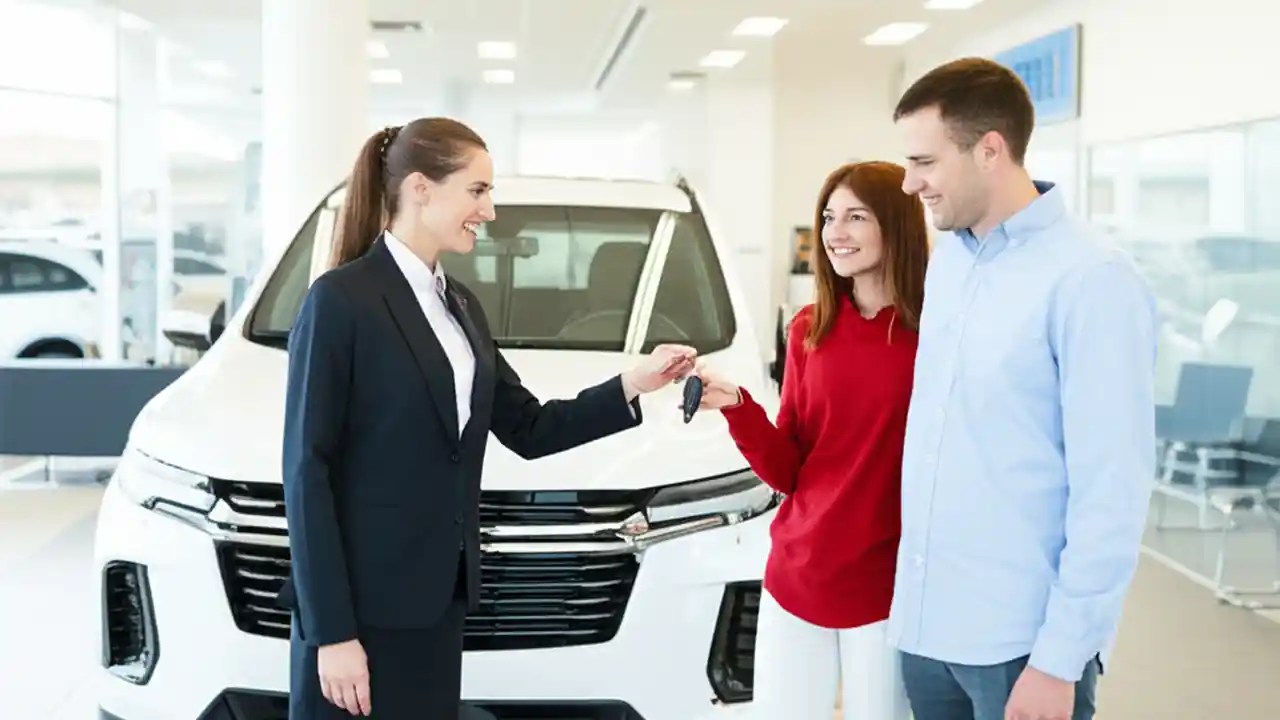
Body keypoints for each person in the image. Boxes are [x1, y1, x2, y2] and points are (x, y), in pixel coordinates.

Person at [275, 117, 697, 719]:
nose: (491, 210)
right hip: (358, 614)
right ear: (420, 188)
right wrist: (331, 633)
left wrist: (635, 382)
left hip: (435, 605)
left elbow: (530, 427)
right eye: (477, 190)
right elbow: (306, 473)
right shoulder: (341, 300)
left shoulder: (460, 306)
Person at [888, 57, 1158, 720]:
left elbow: (1112, 489)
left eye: (924, 162)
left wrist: (1061, 658)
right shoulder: (951, 262)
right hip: (927, 629)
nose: (908, 183)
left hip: (1020, 645)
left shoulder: (1091, 278)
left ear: (989, 150)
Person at [695, 161, 928, 719]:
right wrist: (738, 408)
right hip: (798, 574)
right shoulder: (809, 328)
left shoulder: (935, 332)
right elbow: (790, 470)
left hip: (887, 584)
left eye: (855, 216)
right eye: (828, 217)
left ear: (895, 224)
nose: (835, 233)